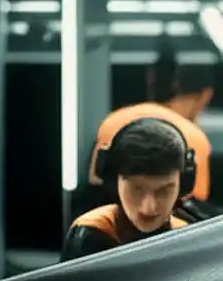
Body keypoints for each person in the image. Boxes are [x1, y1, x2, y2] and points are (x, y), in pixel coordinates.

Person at [87, 39, 215, 204]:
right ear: (206, 94)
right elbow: (196, 203)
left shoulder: (113, 122)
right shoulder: (194, 137)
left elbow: (94, 183)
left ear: (151, 79)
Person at [61, 117, 193, 262]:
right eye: (136, 189)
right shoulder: (92, 231)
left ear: (183, 184)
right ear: (113, 180)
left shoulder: (188, 235)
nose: (148, 208)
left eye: (164, 191)